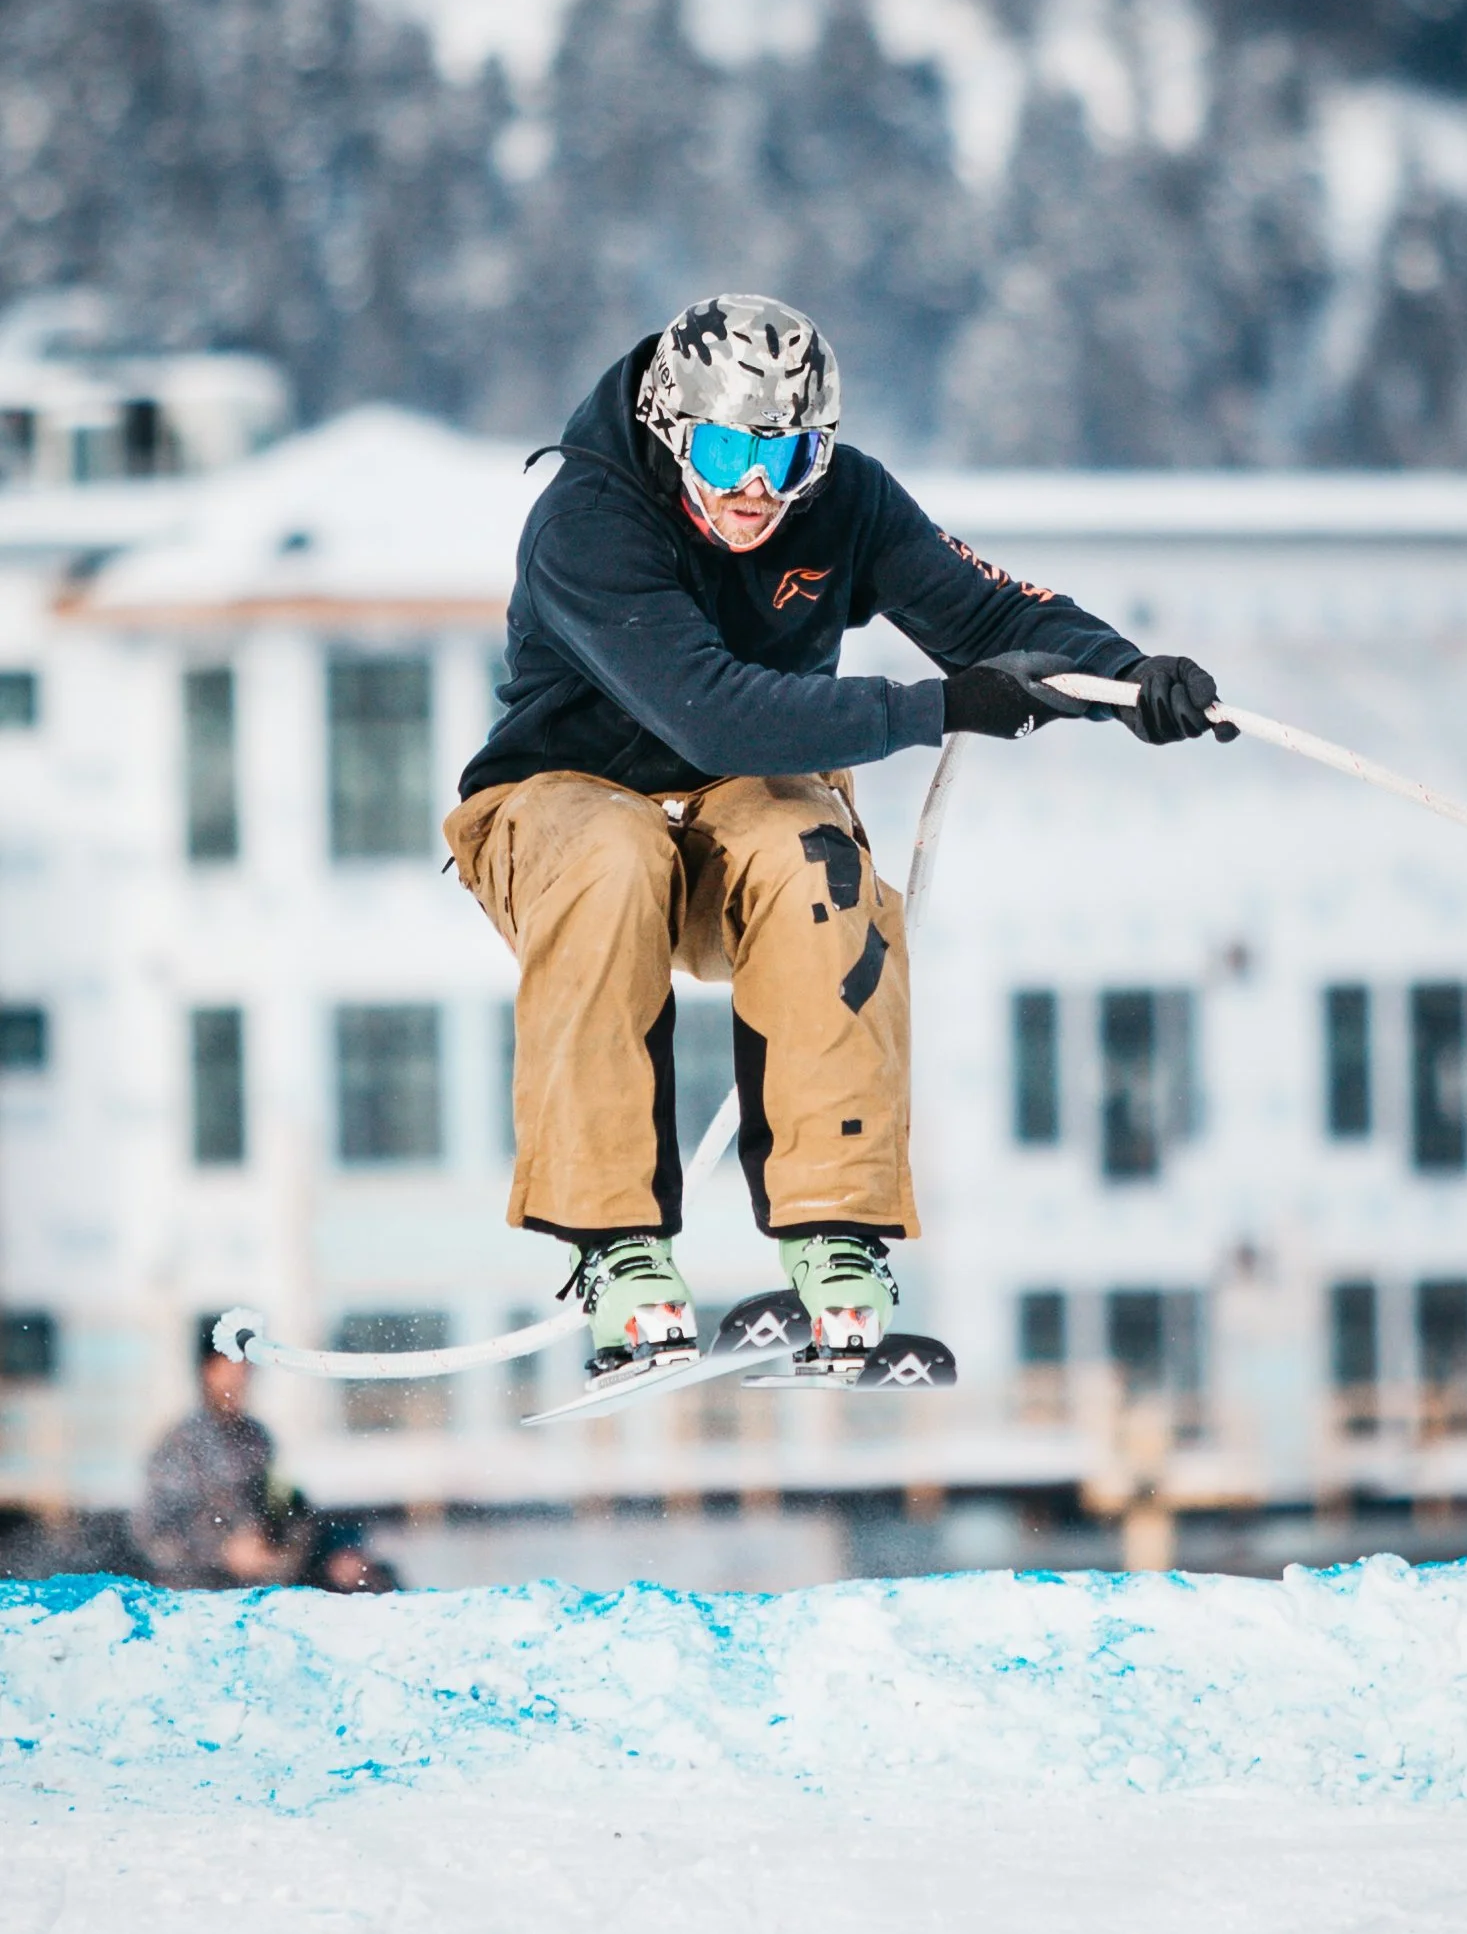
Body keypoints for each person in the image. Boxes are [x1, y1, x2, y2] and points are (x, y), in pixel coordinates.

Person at [444, 293, 1235, 1384]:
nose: (755, 489)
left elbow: (993, 616)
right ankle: (617, 1245)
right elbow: (713, 709)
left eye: (787, 453)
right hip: (559, 806)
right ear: (675, 427)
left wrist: (1123, 675)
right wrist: (934, 708)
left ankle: (833, 1237)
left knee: (816, 858)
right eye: (726, 452)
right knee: (613, 855)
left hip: (741, 816)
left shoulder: (842, 500)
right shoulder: (589, 520)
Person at [138, 1316, 394, 1591]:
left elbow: (289, 1508)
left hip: (264, 1589)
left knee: (373, 1579)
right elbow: (155, 1533)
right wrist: (223, 1551)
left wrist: (337, 1549)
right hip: (201, 1597)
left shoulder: (257, 1439)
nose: (243, 1373)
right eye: (233, 1363)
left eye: (247, 1364)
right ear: (208, 1370)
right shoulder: (180, 1444)